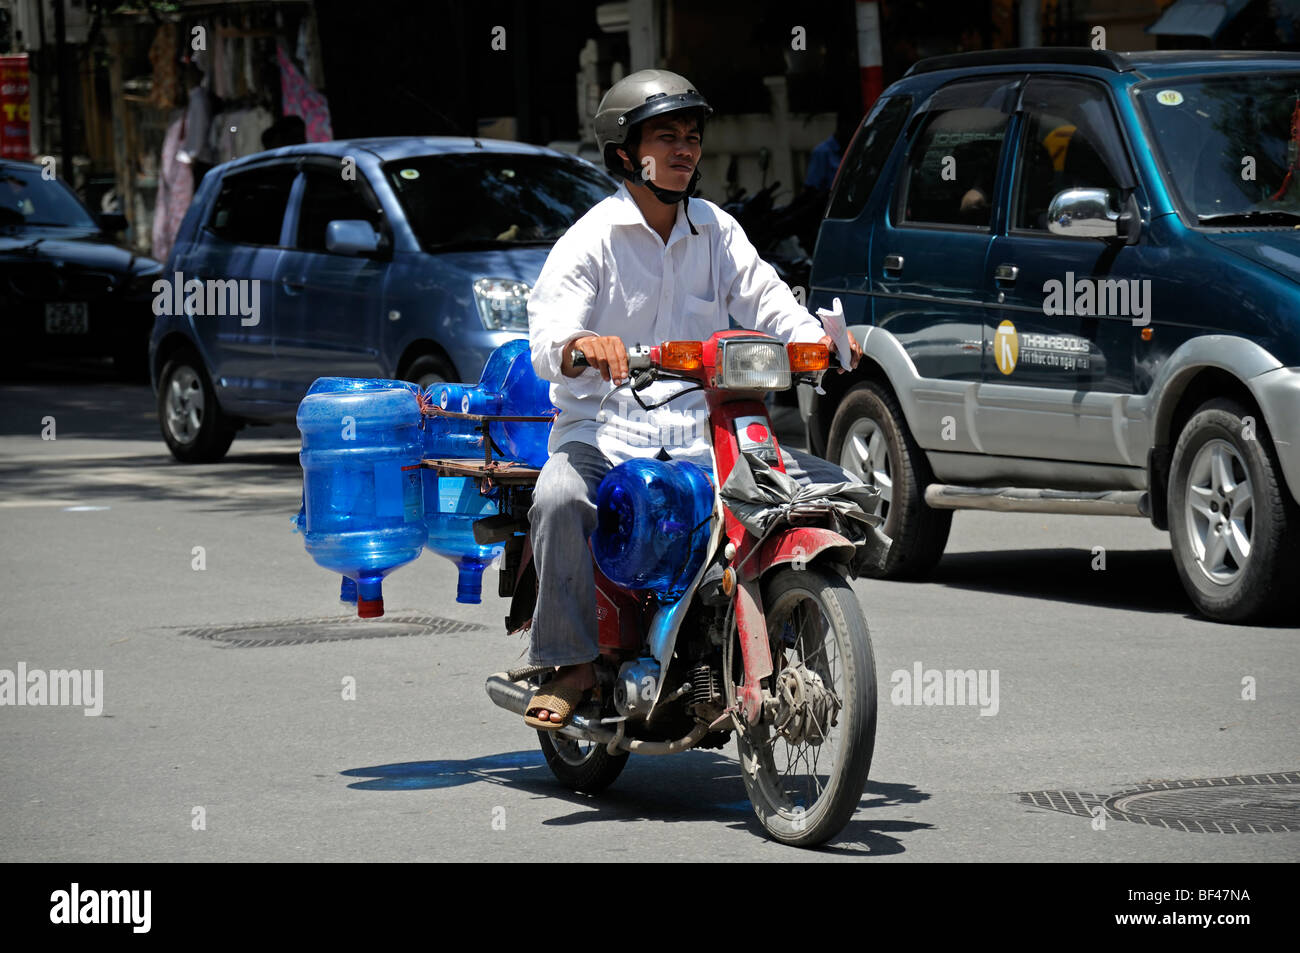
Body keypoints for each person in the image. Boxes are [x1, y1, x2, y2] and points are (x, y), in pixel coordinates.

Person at [521, 69, 863, 730]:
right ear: (626, 153)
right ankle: (570, 662)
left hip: (704, 432)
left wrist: (812, 342)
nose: (684, 149)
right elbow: (549, 336)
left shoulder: (716, 229)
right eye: (666, 137)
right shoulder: (592, 238)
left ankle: (788, 641)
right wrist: (581, 344)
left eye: (692, 137)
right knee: (559, 498)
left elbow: (769, 301)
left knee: (822, 497)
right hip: (604, 429)